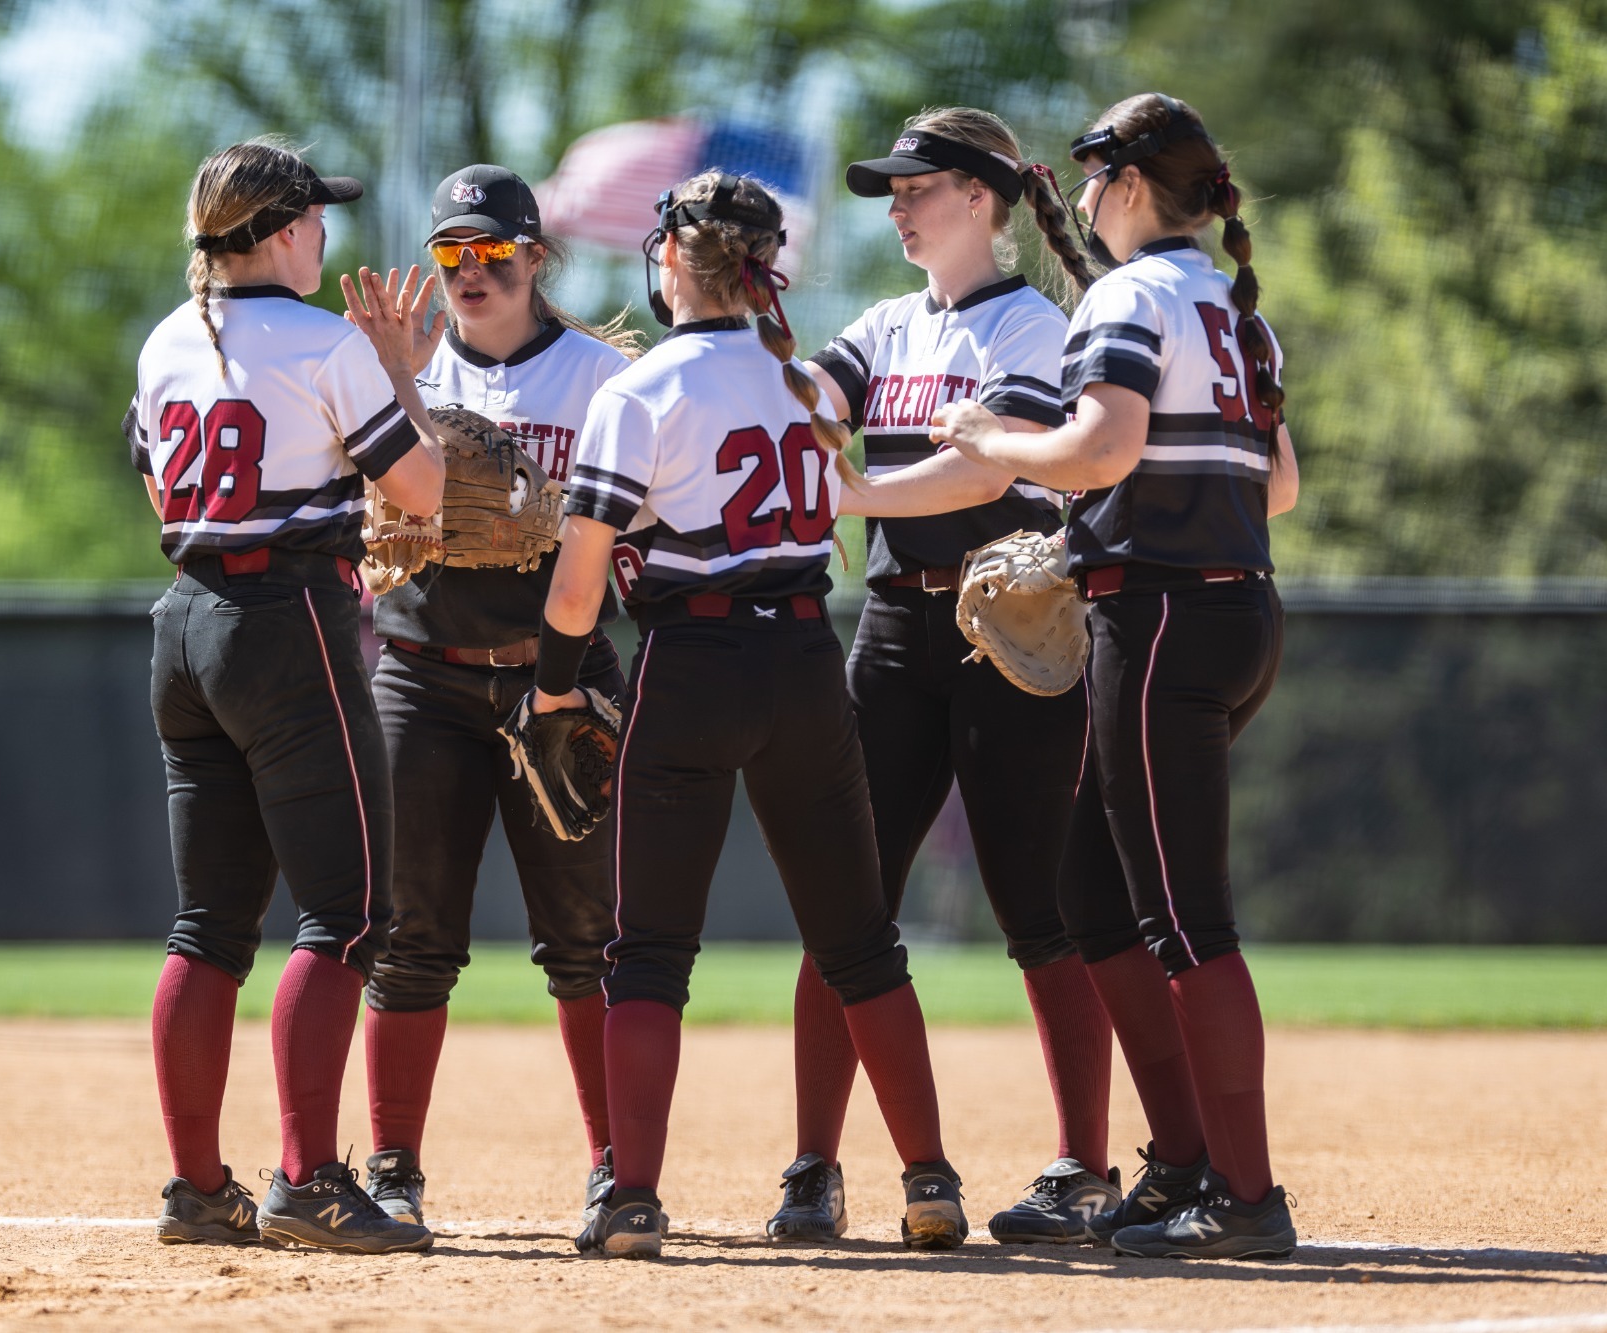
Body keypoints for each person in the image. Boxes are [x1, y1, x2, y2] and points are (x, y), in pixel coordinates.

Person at [530, 170, 966, 1260]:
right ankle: (928, 1180)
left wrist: (547, 687)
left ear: (670, 261)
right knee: (861, 942)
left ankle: (630, 1195)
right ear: (767, 269)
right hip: (805, 658)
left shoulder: (639, 392)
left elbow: (578, 594)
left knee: (647, 954)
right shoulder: (808, 387)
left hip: (689, 663)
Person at [930, 93, 1302, 1260]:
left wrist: (992, 443)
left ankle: (1243, 1197)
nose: (1081, 200)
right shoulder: (1235, 313)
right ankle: (1182, 1161)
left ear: (1130, 183)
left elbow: (1099, 448)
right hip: (1230, 613)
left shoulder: (1128, 297)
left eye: (1092, 178)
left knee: (1185, 922)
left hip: (1161, 626)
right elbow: (1275, 485)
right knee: (1093, 896)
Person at [769, 107, 1120, 1246]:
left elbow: (975, 484)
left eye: (916, 185)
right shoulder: (880, 326)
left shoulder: (1032, 328)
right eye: (890, 187)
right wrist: (740, 337)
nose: (896, 203)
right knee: (844, 900)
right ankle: (812, 1167)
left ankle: (1081, 1164)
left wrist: (854, 496)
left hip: (1006, 639)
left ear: (980, 197)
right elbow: (803, 401)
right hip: (891, 637)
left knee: (1039, 901)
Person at [125, 138, 446, 1252]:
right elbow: (421, 486)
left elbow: (154, 474)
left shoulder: (167, 339)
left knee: (207, 922)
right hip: (289, 626)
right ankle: (307, 1177)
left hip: (184, 624)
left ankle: (194, 1186)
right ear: (272, 232)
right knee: (348, 911)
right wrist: (398, 367)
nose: (324, 234)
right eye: (313, 218)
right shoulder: (326, 342)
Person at [352, 165, 638, 1228]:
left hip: (556, 680)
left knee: (585, 935)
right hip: (422, 679)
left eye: (492, 251)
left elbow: (642, 523)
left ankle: (618, 1164)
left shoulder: (606, 376)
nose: (472, 271)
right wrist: (395, 384)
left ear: (536, 258)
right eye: (450, 254)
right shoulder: (404, 371)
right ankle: (391, 1172)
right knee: (409, 934)